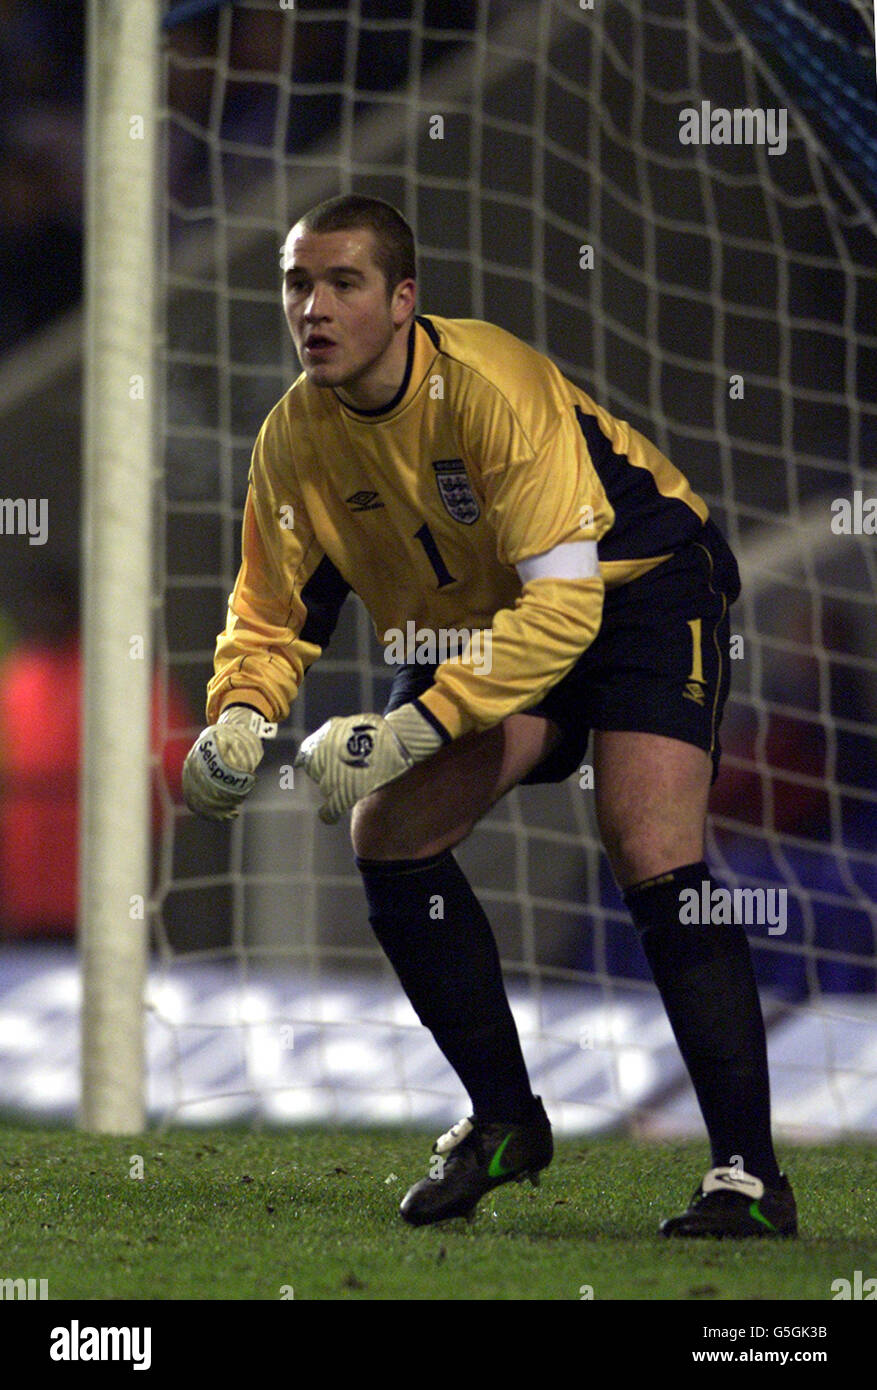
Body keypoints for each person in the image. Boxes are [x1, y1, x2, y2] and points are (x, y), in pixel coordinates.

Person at [182, 194, 796, 1238]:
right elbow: (275, 611)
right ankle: (506, 1123)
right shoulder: (295, 439)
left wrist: (414, 728)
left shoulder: (491, 386)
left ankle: (747, 1175)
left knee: (649, 841)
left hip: (637, 592)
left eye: (344, 283)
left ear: (404, 298)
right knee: (392, 836)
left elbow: (563, 608)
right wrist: (239, 715)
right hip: (476, 629)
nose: (314, 308)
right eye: (297, 283)